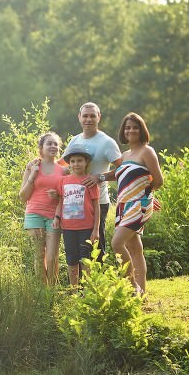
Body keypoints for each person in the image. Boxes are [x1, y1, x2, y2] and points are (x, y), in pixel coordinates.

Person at [110, 112, 163, 295]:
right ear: (123, 131)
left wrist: (147, 197)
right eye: (127, 127)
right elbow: (120, 175)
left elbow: (158, 180)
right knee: (135, 248)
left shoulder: (147, 151)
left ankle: (134, 288)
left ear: (141, 130)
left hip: (138, 205)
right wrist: (98, 177)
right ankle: (142, 294)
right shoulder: (125, 155)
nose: (131, 130)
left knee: (117, 243)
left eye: (135, 127)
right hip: (123, 205)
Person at [66, 102, 123, 260]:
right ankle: (78, 285)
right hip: (75, 203)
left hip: (97, 202)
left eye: (92, 116)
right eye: (85, 116)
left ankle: (98, 283)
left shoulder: (107, 142)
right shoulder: (75, 141)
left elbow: (124, 169)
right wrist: (40, 163)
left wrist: (101, 176)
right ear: (79, 117)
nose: (88, 119)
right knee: (78, 249)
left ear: (99, 117)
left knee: (95, 245)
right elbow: (63, 166)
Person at [19, 132, 65, 285]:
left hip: (54, 216)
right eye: (49, 143)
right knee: (39, 256)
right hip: (34, 215)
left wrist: (58, 194)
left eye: (55, 144)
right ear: (41, 148)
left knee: (52, 257)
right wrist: (32, 175)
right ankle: (42, 291)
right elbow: (22, 197)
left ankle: (52, 290)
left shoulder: (64, 171)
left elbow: (66, 196)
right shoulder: (32, 166)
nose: (53, 146)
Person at [52, 145, 100, 288]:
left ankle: (87, 292)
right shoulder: (63, 181)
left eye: (79, 161)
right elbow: (61, 201)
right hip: (68, 228)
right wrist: (57, 217)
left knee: (86, 261)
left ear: (86, 162)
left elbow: (97, 207)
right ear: (69, 163)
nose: (76, 164)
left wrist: (96, 229)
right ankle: (74, 292)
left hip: (86, 227)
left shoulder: (90, 181)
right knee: (71, 261)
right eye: (72, 161)